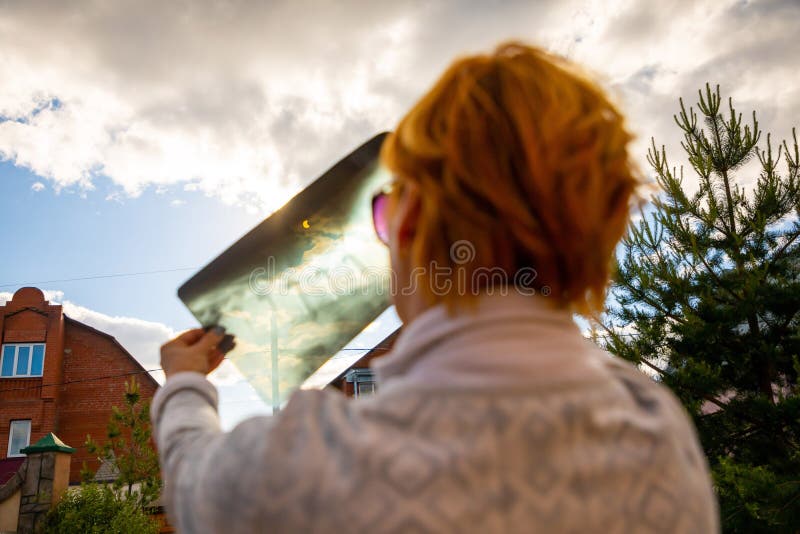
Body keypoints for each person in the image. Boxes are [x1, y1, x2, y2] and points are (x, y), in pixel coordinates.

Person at [153, 42, 719, 533]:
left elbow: (194, 482)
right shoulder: (659, 431)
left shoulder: (321, 459)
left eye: (385, 212)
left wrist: (184, 383)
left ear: (412, 222)